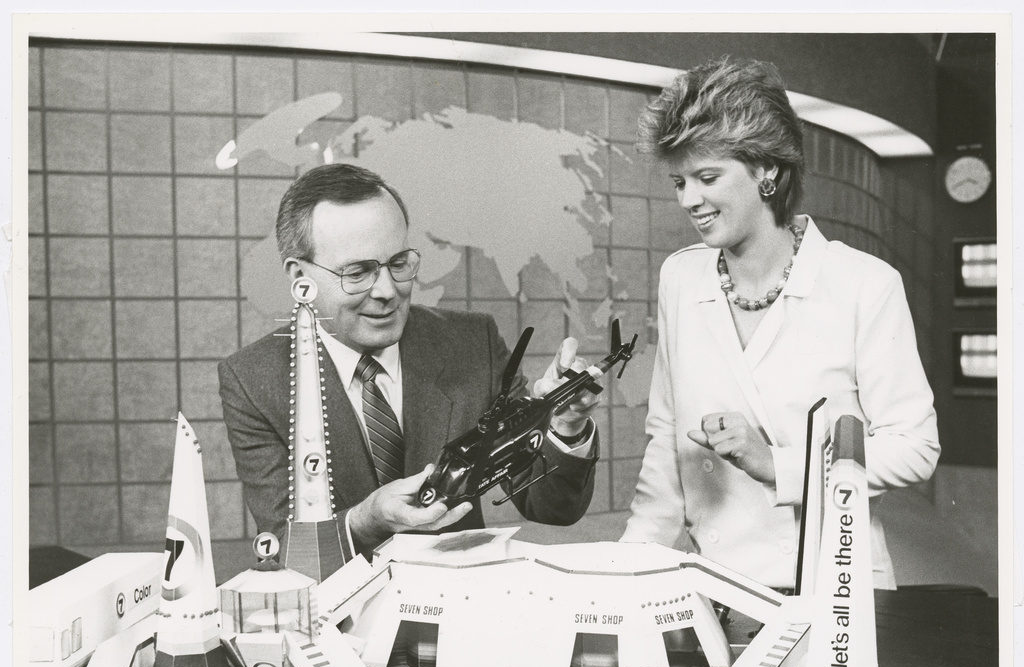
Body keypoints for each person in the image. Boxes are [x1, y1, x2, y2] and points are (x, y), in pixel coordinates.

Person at [620, 57, 940, 590]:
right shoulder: (680, 276)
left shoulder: (864, 283)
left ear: (767, 170)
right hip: (714, 588)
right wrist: (630, 564)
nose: (688, 200)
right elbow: (667, 438)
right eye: (679, 181)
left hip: (836, 591)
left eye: (707, 177)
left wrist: (778, 464)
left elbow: (915, 448)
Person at [220, 163, 600, 559]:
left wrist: (565, 428)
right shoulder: (254, 382)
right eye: (358, 272)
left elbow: (553, 506)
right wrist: (365, 520)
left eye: (398, 264)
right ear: (300, 278)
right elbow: (283, 547)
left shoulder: (473, 344)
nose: (387, 291)